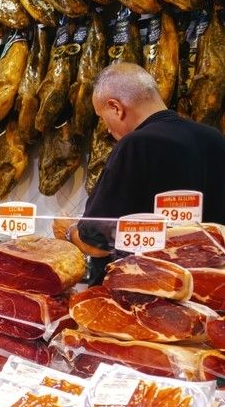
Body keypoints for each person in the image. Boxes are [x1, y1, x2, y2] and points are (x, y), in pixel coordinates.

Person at [54, 62, 225, 284]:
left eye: (102, 117)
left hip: (147, 294)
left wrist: (68, 230)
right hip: (208, 290)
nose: (106, 128)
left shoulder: (135, 144)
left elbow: (97, 244)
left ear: (116, 107)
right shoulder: (214, 137)